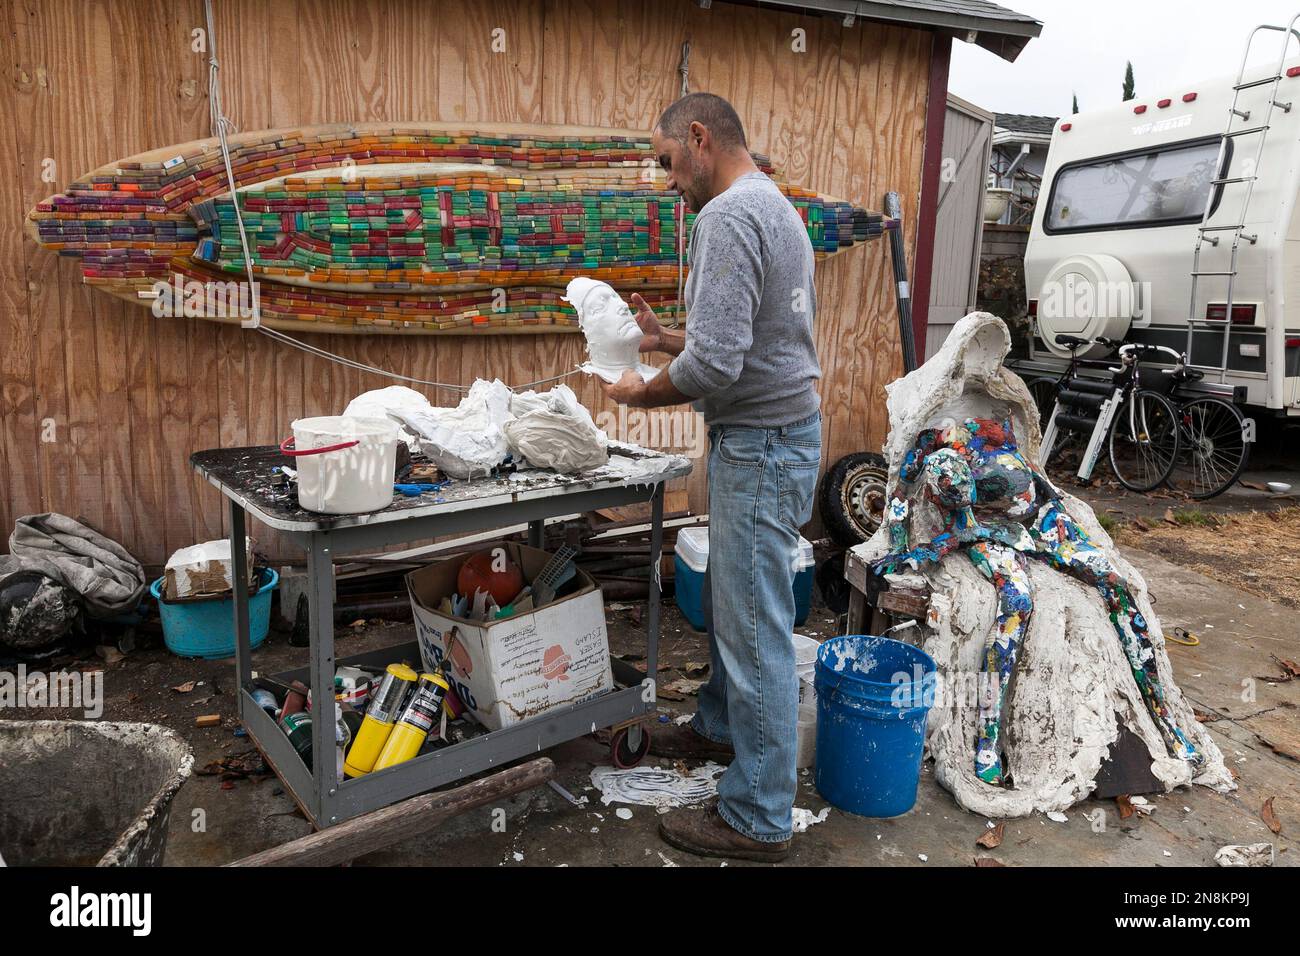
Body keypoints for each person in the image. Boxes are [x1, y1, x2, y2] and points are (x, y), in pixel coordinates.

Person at [600, 92, 821, 863]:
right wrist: (668, 342)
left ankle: (758, 815)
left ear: (699, 138)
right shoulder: (771, 202)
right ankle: (720, 729)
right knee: (739, 604)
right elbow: (746, 336)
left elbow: (721, 365)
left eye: (666, 160)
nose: (667, 180)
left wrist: (641, 391)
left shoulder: (723, 218)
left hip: (760, 444)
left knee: (753, 624)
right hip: (779, 435)